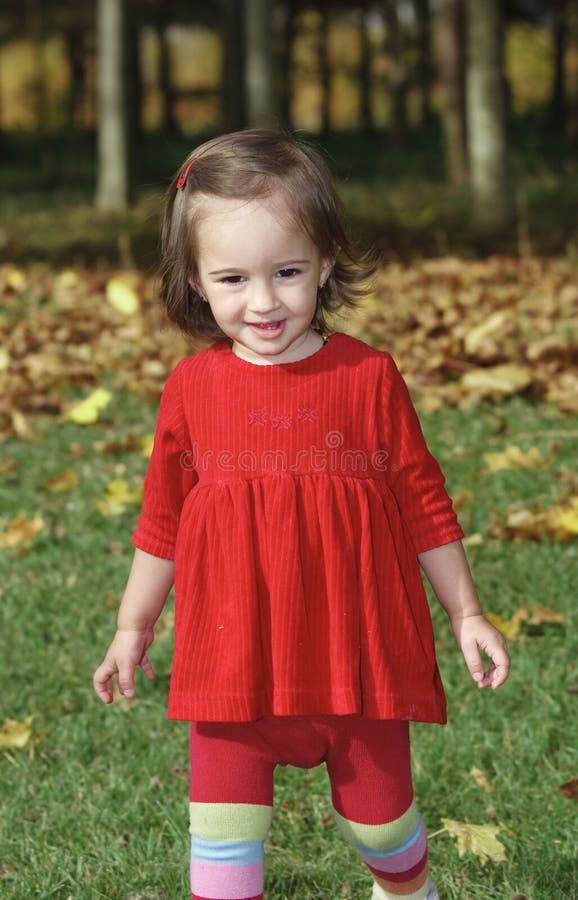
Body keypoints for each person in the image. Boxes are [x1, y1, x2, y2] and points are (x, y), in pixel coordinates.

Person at [93, 129, 510, 900]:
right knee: (222, 851)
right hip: (232, 665)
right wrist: (131, 627)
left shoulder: (369, 379)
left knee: (381, 828)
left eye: (286, 272)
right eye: (233, 278)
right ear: (196, 280)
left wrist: (467, 613)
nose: (263, 301)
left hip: (356, 661)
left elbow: (423, 503)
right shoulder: (191, 390)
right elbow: (163, 520)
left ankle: (407, 888)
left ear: (324, 261)